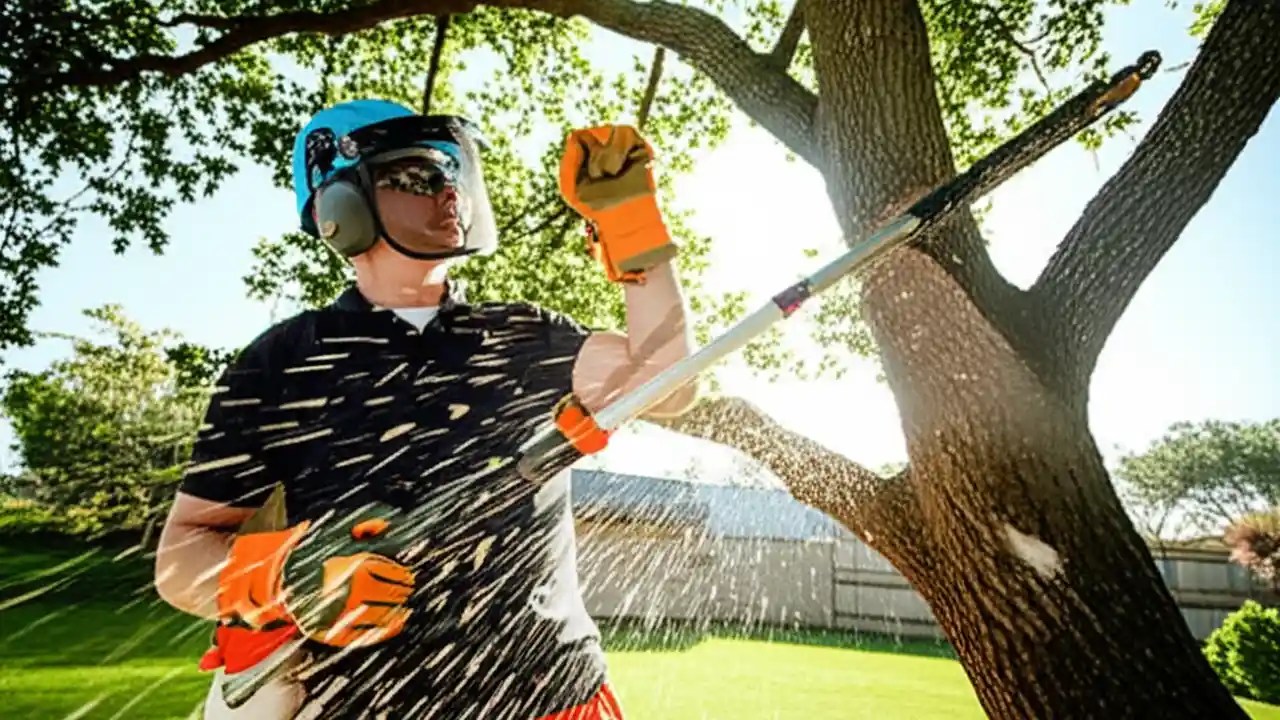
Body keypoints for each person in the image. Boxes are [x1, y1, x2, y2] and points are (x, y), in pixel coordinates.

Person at [153, 98, 697, 719]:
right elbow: (180, 558)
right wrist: (285, 578)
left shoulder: (524, 335)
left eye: (450, 173)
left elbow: (668, 385)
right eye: (416, 176)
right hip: (361, 704)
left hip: (552, 696)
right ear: (339, 208)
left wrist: (632, 226)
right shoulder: (278, 364)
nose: (448, 192)